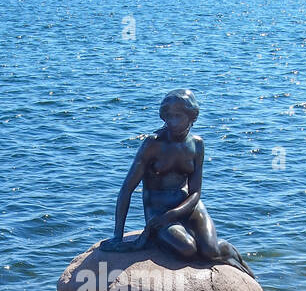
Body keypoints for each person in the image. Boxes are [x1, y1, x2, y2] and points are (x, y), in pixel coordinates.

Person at [102, 89, 254, 277]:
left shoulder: (197, 144)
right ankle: (158, 238)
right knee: (188, 249)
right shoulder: (153, 144)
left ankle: (232, 255)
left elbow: (196, 193)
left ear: (192, 117)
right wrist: (118, 236)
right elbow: (126, 190)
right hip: (158, 210)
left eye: (178, 116)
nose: (171, 122)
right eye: (168, 116)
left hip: (189, 207)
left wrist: (173, 214)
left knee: (210, 251)